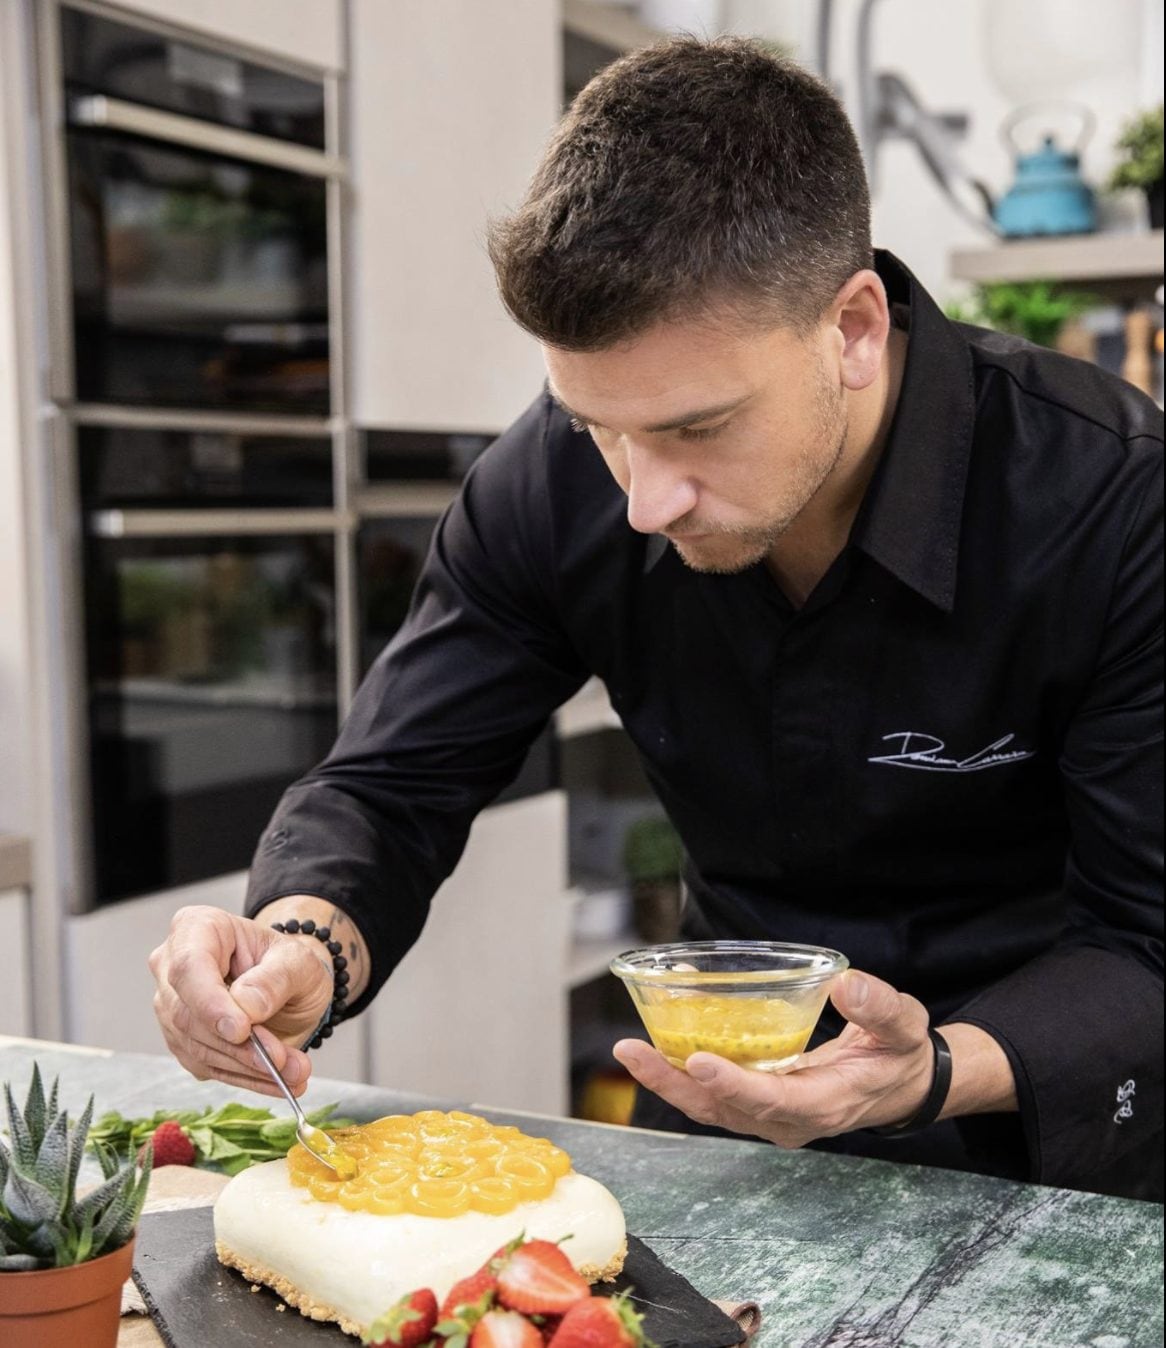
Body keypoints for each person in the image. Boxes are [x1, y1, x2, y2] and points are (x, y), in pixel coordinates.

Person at [148, 37, 1163, 1200]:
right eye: (597, 427)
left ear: (851, 327)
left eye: (694, 428)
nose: (641, 500)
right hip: (711, 1119)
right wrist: (304, 943)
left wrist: (927, 1069)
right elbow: (394, 782)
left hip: (1044, 1139)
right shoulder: (546, 483)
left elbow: (1147, 938)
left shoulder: (1110, 499)